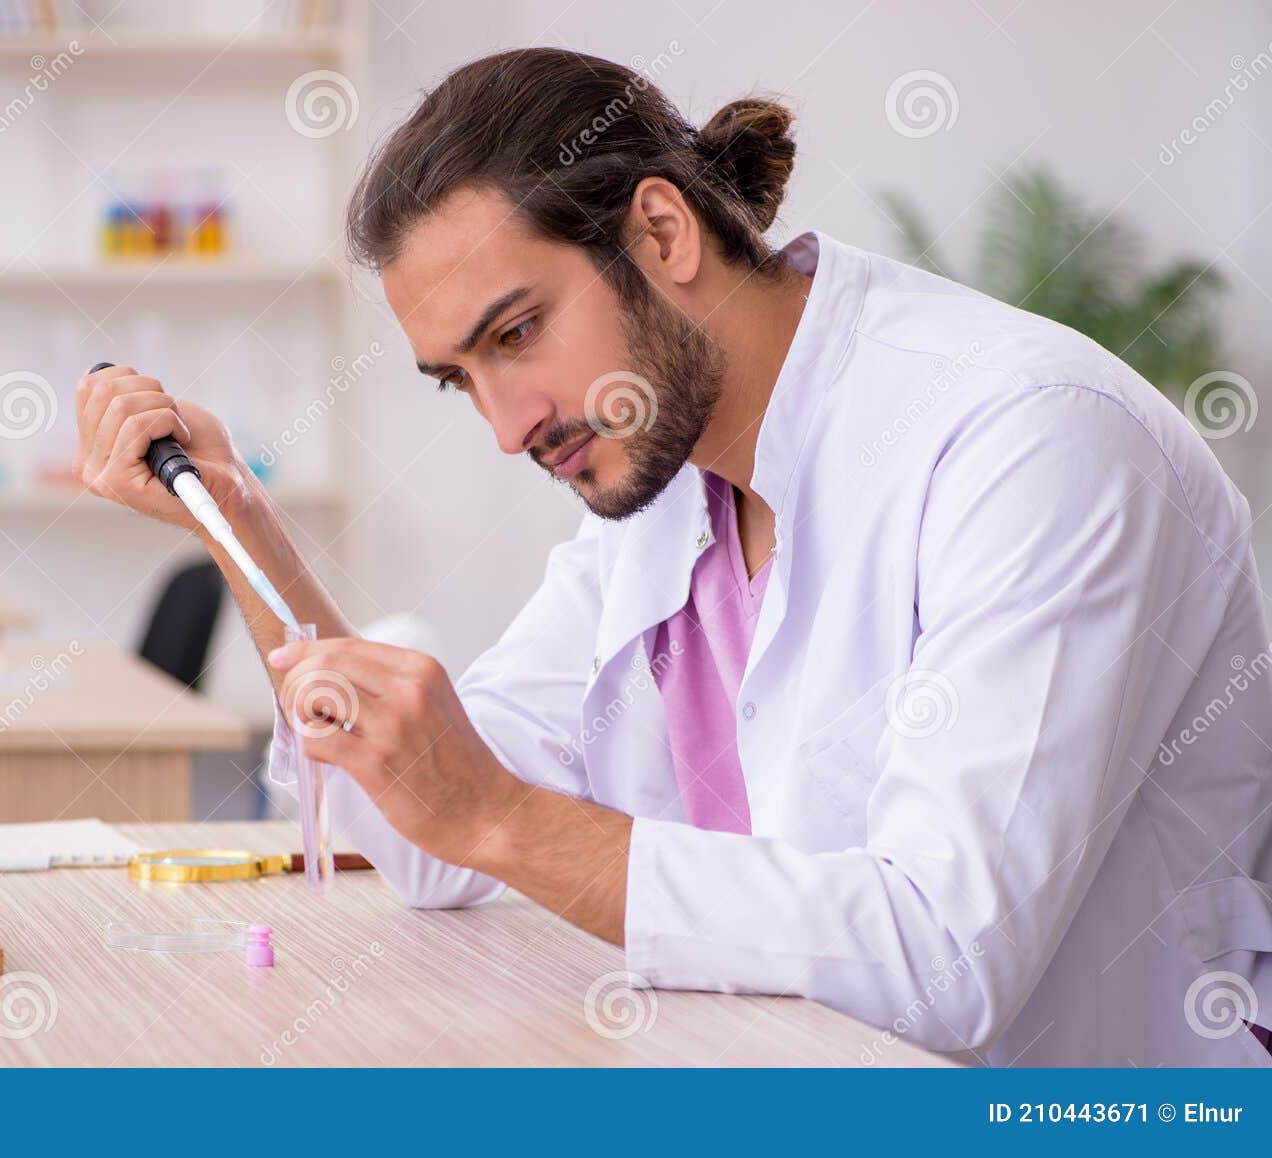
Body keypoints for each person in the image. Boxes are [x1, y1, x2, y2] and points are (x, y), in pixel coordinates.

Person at [75, 48, 1272, 1066]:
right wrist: (234, 522)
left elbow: (940, 964)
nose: (505, 424)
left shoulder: (1030, 439)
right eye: (461, 379)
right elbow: (439, 833)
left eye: (516, 333)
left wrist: (492, 814)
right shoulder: (663, 475)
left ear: (661, 229)